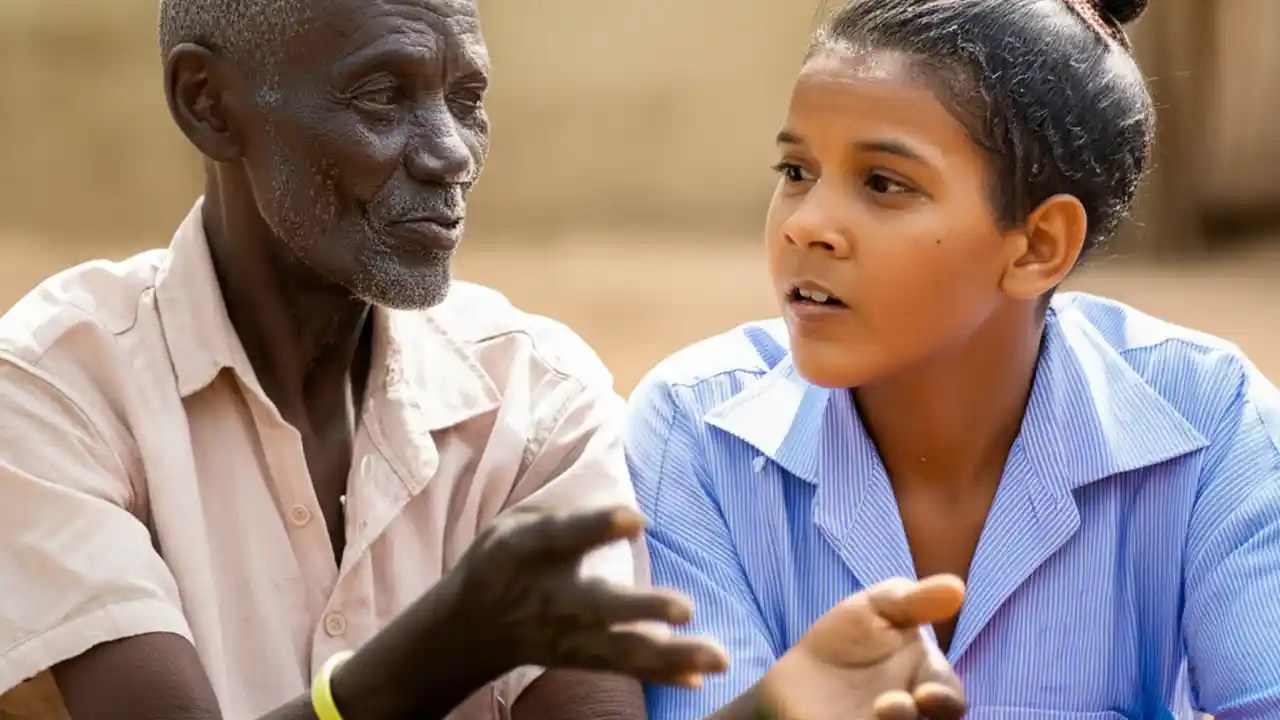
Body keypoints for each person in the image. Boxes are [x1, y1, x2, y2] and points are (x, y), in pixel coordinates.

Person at [0, 1, 972, 719]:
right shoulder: (57, 388)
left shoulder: (534, 400)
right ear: (207, 105)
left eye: (466, 99)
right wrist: (438, 651)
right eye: (381, 97)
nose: (449, 154)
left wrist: (769, 713)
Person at [627, 0, 1280, 718]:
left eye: (884, 183)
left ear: (1037, 246)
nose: (806, 225)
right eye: (796, 170)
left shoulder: (1211, 420)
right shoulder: (696, 429)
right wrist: (770, 710)